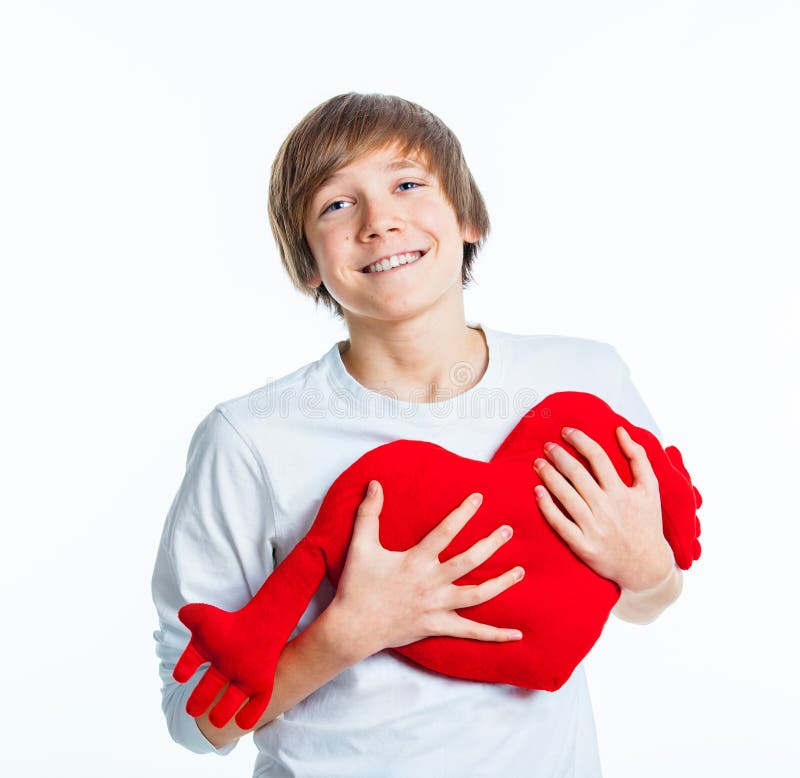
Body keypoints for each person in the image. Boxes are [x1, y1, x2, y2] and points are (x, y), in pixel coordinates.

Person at [151, 92, 684, 777]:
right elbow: (195, 720)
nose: (379, 221)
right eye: (336, 204)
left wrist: (648, 569)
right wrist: (349, 633)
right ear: (308, 262)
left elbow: (647, 601)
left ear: (468, 216)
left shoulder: (585, 379)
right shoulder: (249, 440)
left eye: (407, 184)